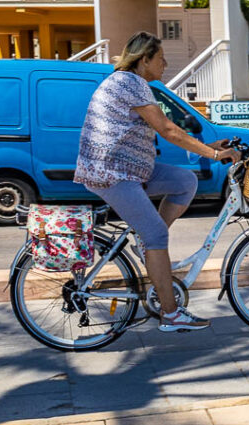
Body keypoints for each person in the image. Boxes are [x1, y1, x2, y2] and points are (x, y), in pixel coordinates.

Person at [74, 32, 237, 333]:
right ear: (144, 60)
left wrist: (208, 146)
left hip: (132, 169)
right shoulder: (130, 83)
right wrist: (215, 154)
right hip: (112, 173)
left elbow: (168, 131)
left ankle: (148, 246)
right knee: (157, 235)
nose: (165, 64)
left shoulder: (130, 82)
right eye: (160, 59)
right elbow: (168, 130)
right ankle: (171, 314)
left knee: (184, 181)